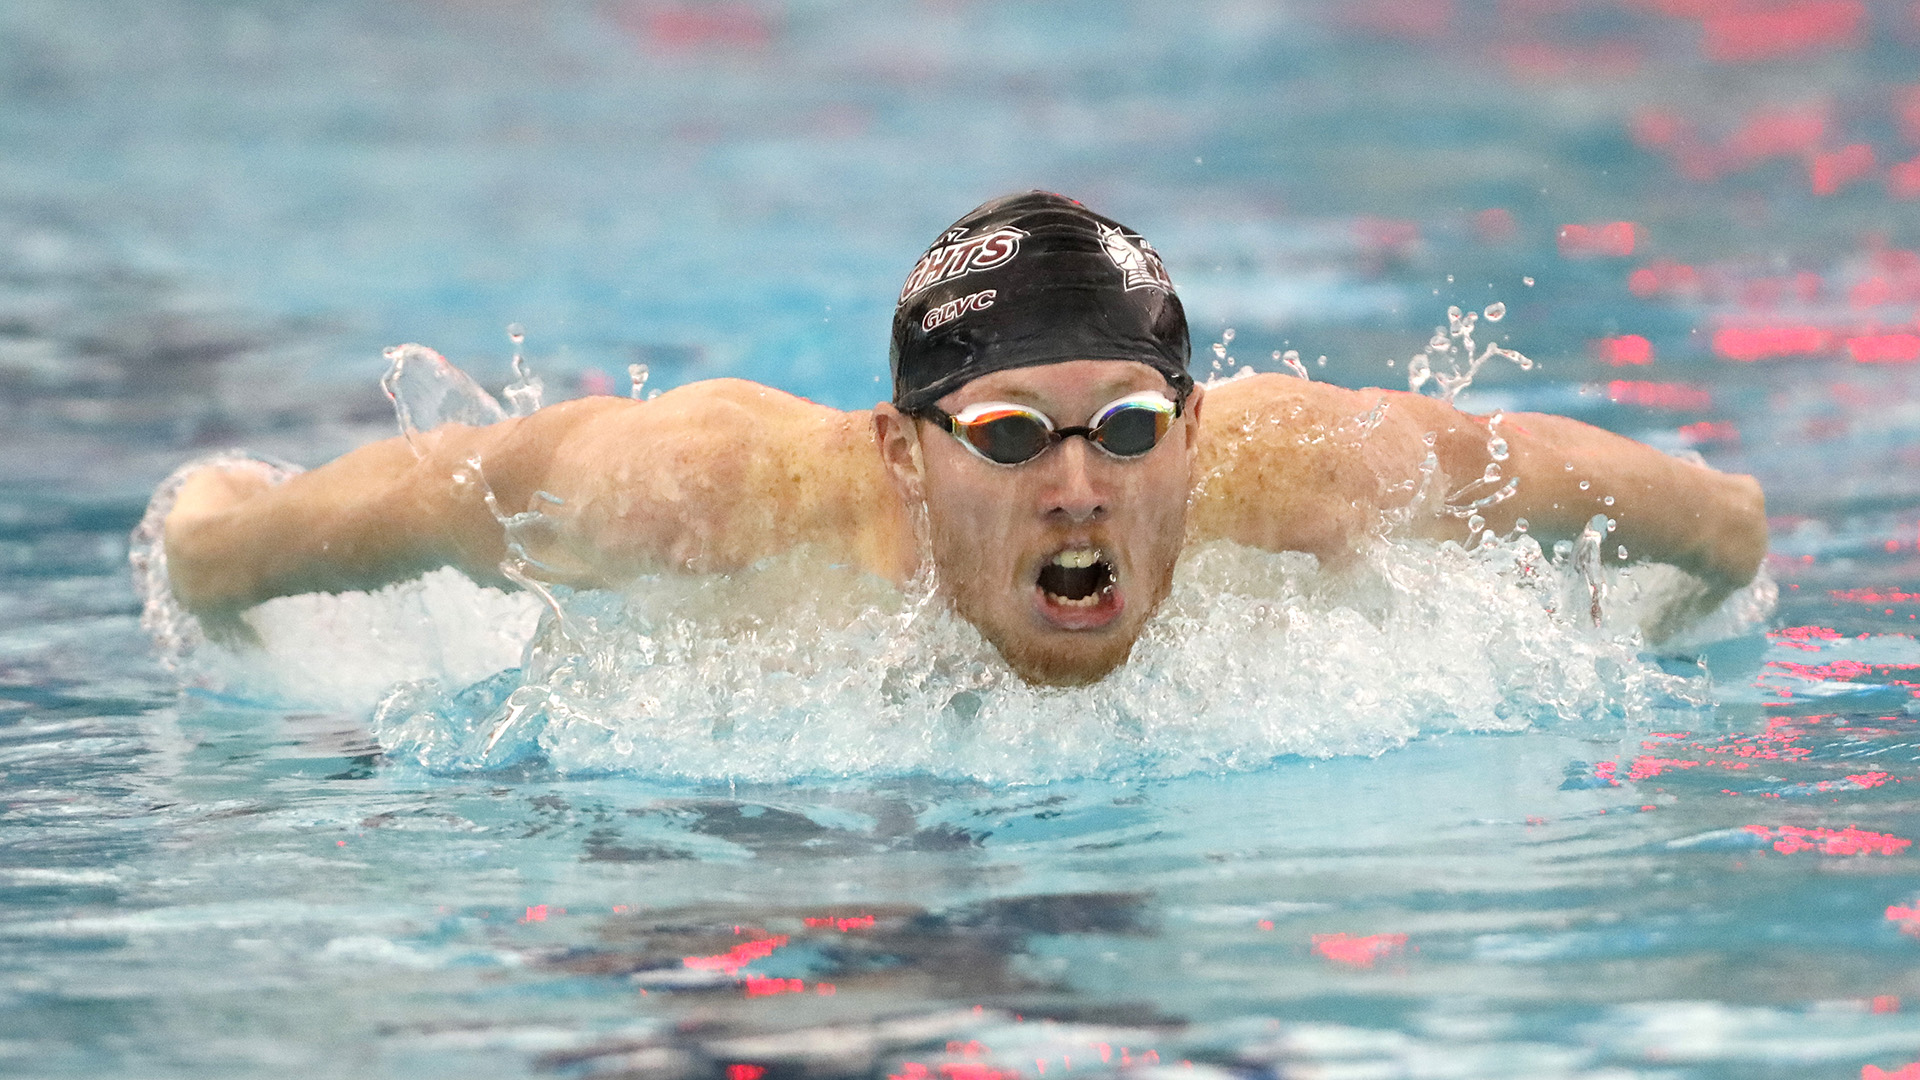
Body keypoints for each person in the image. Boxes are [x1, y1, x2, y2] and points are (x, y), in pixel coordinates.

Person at [156, 191, 1768, 686]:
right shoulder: (700, 495)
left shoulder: (1313, 471)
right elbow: (423, 499)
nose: (1077, 487)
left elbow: (1694, 515)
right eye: (1005, 436)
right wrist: (218, 546)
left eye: (1128, 428)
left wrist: (1708, 586)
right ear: (899, 449)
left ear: (1196, 433)